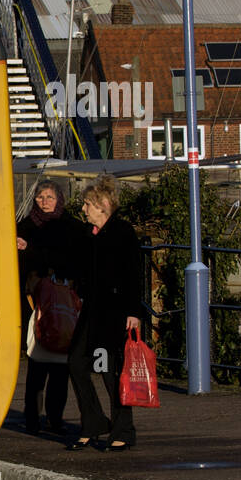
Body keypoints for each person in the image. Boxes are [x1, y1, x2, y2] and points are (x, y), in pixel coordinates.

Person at [65, 175, 144, 451]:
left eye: (88, 204)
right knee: (76, 361)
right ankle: (94, 420)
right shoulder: (89, 235)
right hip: (92, 311)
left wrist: (134, 310)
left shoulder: (122, 232)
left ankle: (124, 429)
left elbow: (134, 272)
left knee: (113, 372)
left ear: (104, 205)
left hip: (115, 312)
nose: (84, 209)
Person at [15, 179, 87, 435]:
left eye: (49, 197)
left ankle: (55, 417)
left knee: (59, 364)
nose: (44, 202)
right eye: (40, 197)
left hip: (64, 300)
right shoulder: (24, 226)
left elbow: (71, 260)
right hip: (36, 302)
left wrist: (31, 250)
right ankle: (33, 417)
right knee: (37, 360)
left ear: (59, 200)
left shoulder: (70, 228)